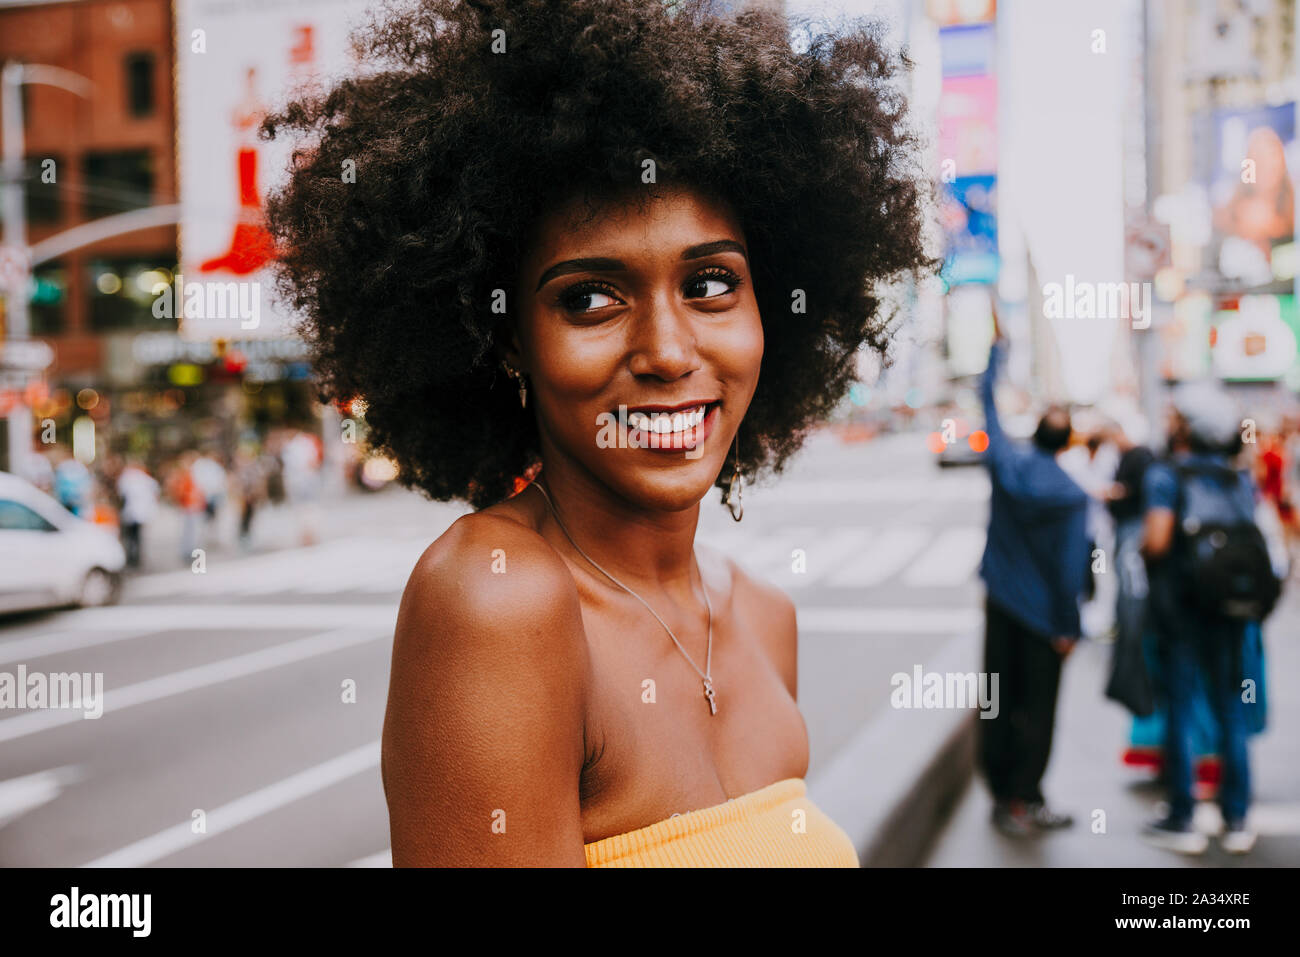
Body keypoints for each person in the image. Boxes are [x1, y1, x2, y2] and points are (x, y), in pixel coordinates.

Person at [263, 0, 934, 867]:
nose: (665, 350)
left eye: (712, 283)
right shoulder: (496, 600)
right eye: (589, 297)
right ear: (510, 338)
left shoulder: (767, 620)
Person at [1139, 383, 1272, 856]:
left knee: (1180, 705)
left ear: (1188, 428)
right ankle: (1237, 818)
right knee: (1230, 706)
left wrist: (1141, 548)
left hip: (1182, 608)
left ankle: (1184, 815)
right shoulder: (1240, 477)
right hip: (1231, 609)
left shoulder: (1166, 475)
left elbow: (1156, 541)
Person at [976, 314, 1090, 838]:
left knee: (998, 698)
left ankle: (1001, 793)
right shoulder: (1070, 495)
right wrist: (1069, 626)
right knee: (1037, 710)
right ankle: (1027, 797)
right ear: (1066, 443)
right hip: (1044, 619)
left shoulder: (1006, 463)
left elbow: (987, 407)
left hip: (1000, 604)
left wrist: (997, 351)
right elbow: (1068, 570)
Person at [116, 459, 161, 570]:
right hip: (138, 512)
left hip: (132, 512)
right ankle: (135, 558)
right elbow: (155, 491)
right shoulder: (144, 478)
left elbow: (121, 493)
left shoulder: (126, 478)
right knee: (136, 537)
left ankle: (132, 558)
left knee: (131, 536)